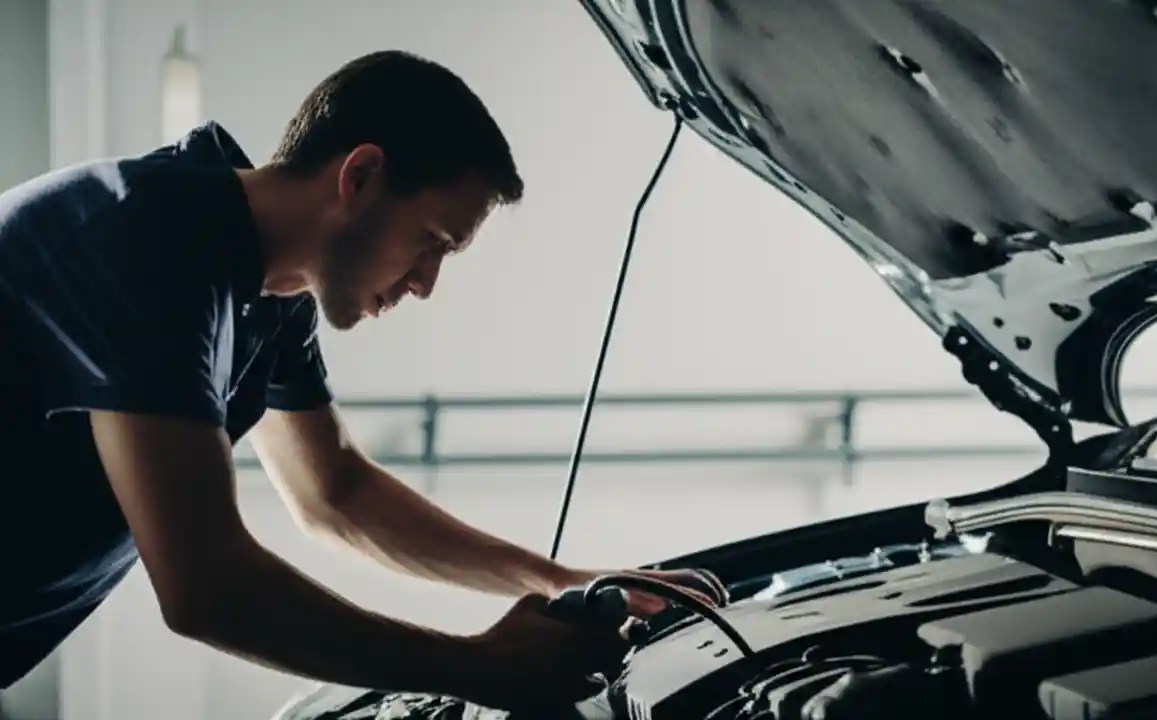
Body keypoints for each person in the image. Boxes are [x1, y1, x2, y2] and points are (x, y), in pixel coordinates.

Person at [0, 50, 717, 709]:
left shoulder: (263, 285)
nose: (427, 285)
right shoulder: (151, 241)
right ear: (361, 176)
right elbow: (207, 590)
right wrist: (485, 665)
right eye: (431, 243)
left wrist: (561, 581)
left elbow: (334, 491)